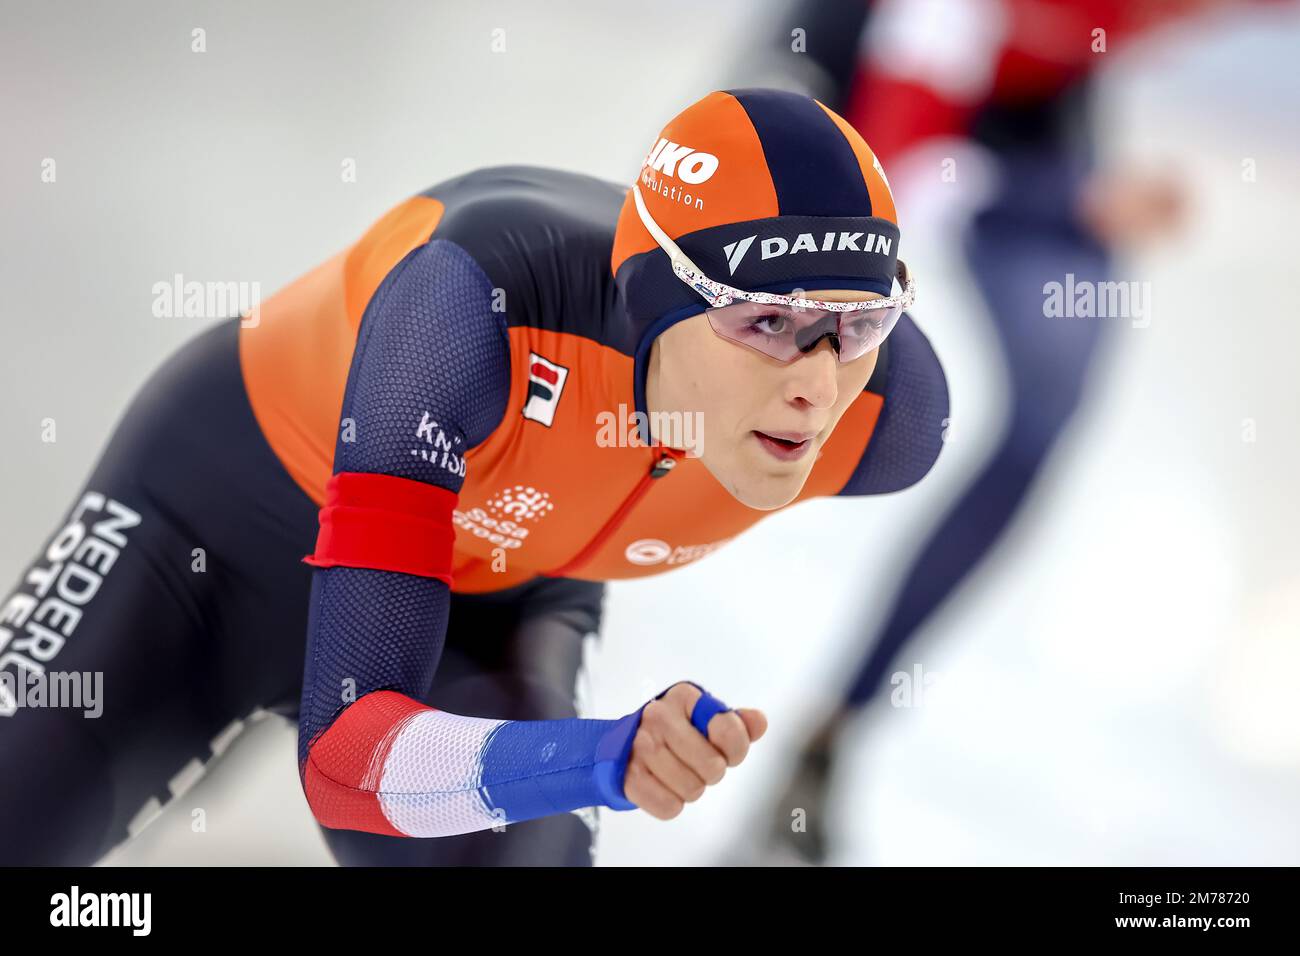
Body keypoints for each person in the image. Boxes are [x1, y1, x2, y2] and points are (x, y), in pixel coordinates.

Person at [0, 88, 948, 866]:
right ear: (660, 301)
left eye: (857, 326)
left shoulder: (889, 422)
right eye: (766, 324)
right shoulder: (468, 306)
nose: (818, 386)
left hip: (485, 605)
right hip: (209, 538)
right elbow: (348, 761)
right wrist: (603, 757)